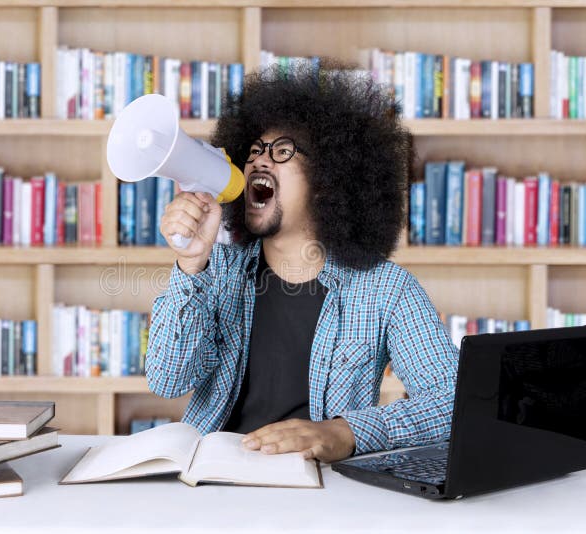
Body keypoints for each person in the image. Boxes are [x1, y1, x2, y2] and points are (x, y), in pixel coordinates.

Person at [146, 63, 459, 463]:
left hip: (323, 490)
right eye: (255, 151)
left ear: (330, 179)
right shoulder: (217, 268)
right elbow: (167, 379)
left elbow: (451, 402)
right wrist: (190, 265)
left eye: (282, 152)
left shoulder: (386, 289)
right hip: (214, 480)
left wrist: (346, 431)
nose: (260, 161)